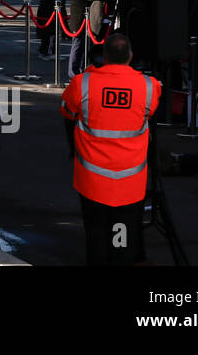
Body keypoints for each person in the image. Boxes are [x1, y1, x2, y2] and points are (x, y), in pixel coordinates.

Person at [60, 33, 161, 266]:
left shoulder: (82, 83)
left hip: (92, 178)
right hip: (131, 180)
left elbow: (67, 112)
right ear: (131, 56)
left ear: (103, 56)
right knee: (122, 238)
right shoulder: (148, 86)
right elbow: (151, 113)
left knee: (96, 237)